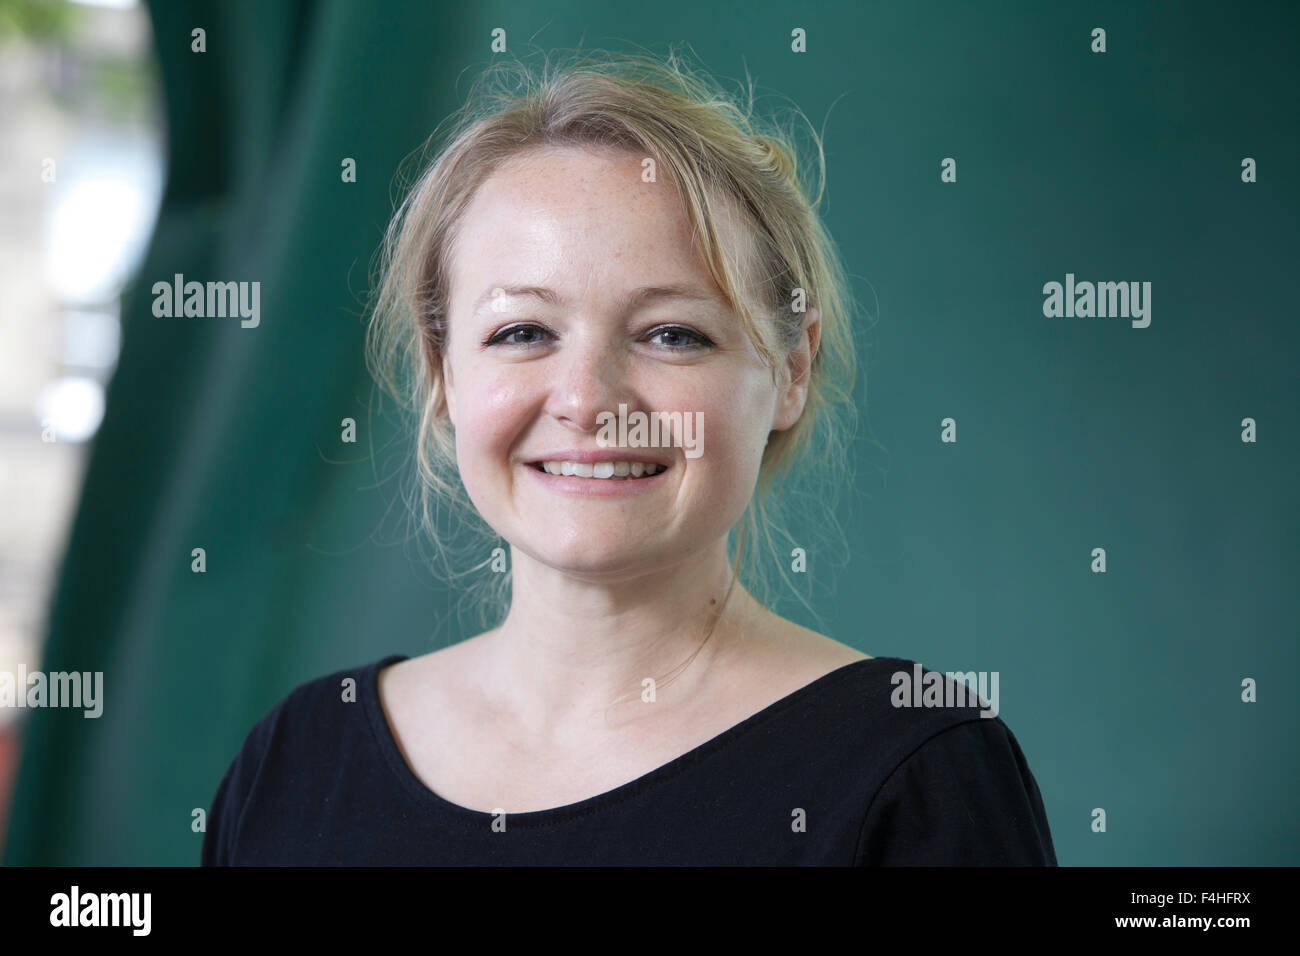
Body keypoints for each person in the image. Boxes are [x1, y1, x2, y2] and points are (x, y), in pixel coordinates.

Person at [201, 50, 1056, 866]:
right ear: (441, 375)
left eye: (672, 334)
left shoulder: (921, 767)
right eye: (522, 332)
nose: (586, 399)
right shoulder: (296, 761)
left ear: (790, 371)